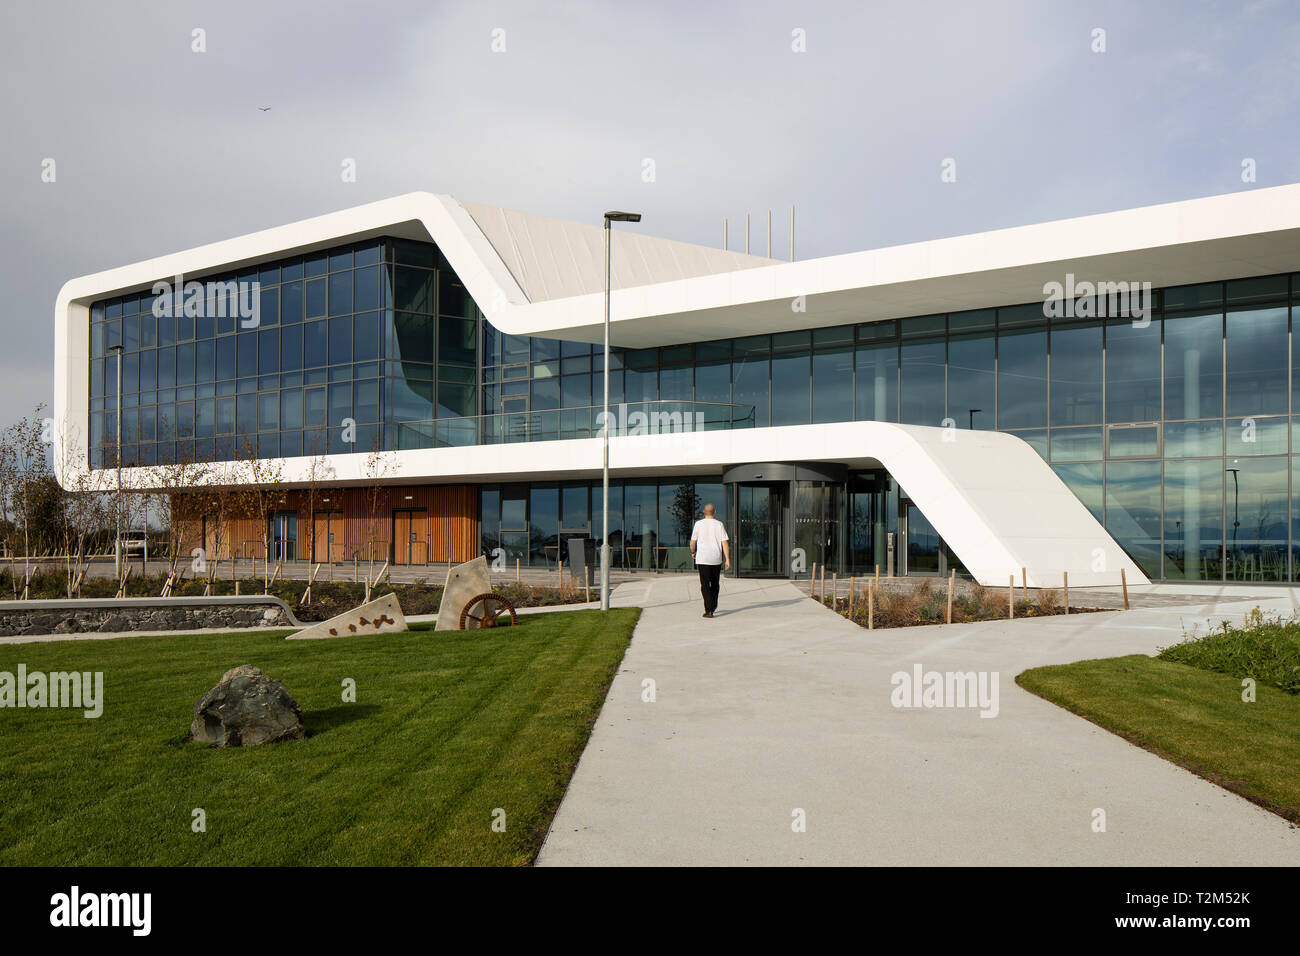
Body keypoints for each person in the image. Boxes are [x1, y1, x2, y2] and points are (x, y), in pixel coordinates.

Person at [689, 503, 731, 618]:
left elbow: (693, 542)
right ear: (715, 512)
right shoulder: (719, 525)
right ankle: (713, 605)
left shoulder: (698, 524)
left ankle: (709, 610)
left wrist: (693, 552)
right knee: (715, 584)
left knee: (705, 585)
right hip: (716, 559)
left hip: (702, 559)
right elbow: (724, 543)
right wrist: (727, 559)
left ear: (703, 512)